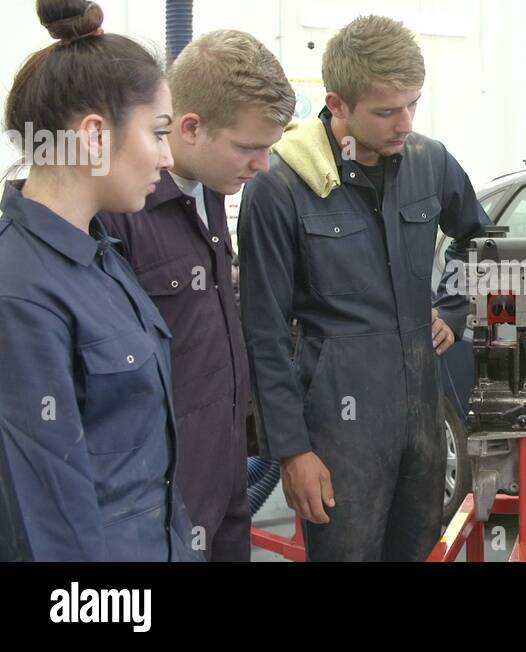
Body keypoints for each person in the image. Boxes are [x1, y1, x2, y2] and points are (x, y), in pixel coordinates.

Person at [238, 15, 490, 561]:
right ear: (338, 104)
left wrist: (451, 305)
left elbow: (480, 240)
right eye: (386, 111)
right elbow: (263, 333)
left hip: (423, 415)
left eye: (413, 105)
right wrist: (292, 450)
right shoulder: (279, 187)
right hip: (338, 429)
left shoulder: (430, 162)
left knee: (417, 550)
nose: (404, 124)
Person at [0, 0, 200, 561]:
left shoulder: (101, 259)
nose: (166, 157)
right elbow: (44, 527)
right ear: (93, 135)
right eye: (158, 133)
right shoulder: (20, 295)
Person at [98, 30, 295, 562]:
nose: (263, 166)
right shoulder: (120, 212)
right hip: (157, 502)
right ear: (190, 127)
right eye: (249, 148)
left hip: (223, 473)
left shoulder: (211, 188)